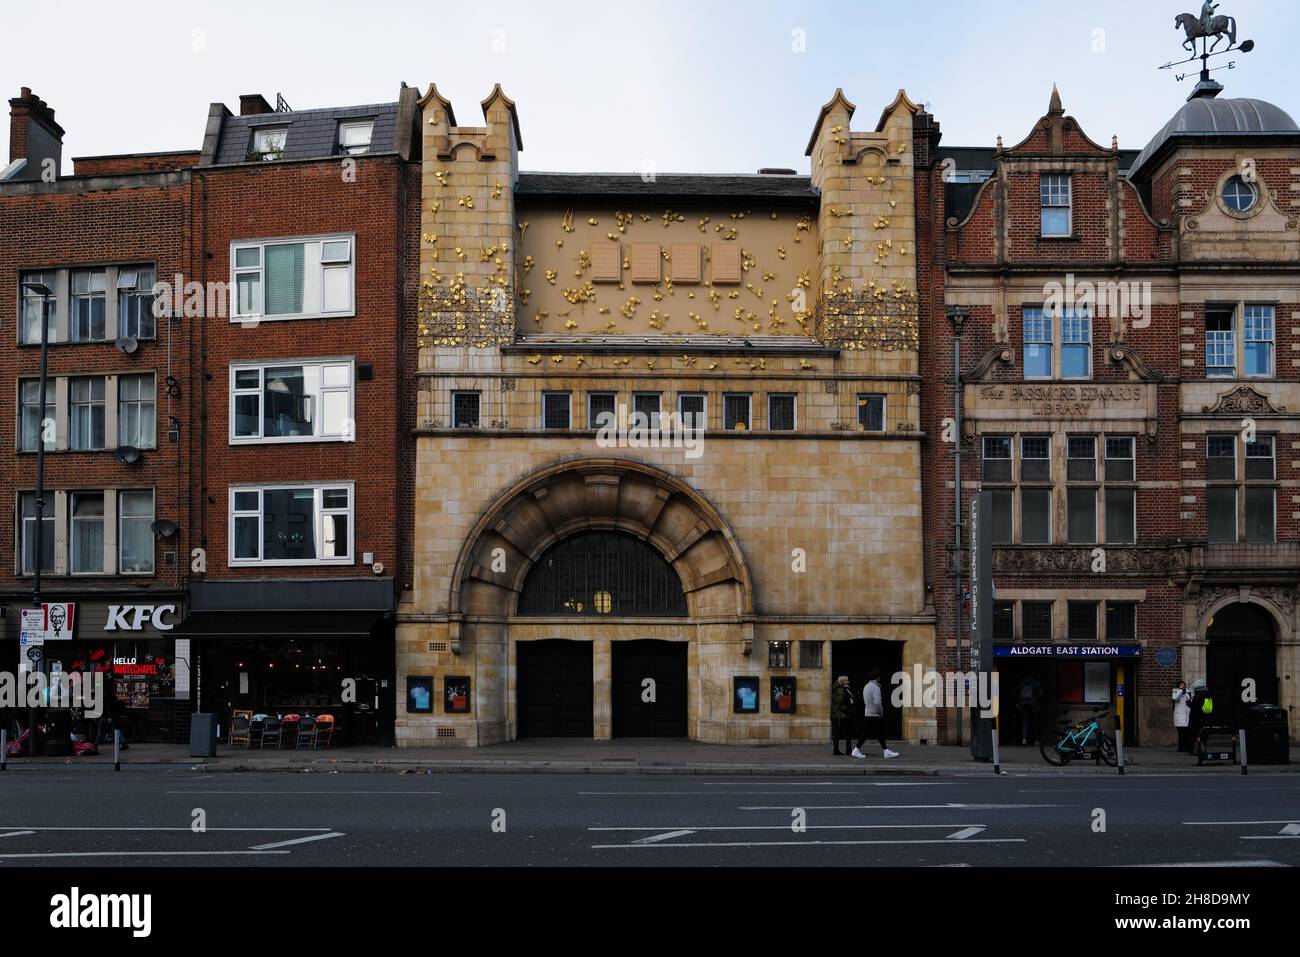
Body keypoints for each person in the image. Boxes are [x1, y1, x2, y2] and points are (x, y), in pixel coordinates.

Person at [853, 668, 899, 759]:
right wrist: (880, 712)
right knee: (868, 733)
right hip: (875, 714)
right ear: (877, 677)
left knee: (878, 733)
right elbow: (878, 702)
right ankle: (856, 750)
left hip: (869, 712)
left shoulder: (866, 686)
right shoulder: (875, 687)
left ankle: (886, 751)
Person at [1015, 674, 1044, 746]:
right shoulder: (1036, 683)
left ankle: (1024, 739)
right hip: (1035, 705)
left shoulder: (1021, 682)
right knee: (1036, 722)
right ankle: (1036, 741)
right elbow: (1041, 694)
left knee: (1025, 722)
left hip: (1023, 705)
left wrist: (1017, 703)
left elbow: (1014, 692)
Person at [830, 675, 854, 756]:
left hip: (840, 715)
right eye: (847, 680)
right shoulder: (841, 690)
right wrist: (848, 710)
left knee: (839, 733)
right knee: (845, 733)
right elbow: (840, 703)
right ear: (842, 682)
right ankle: (845, 750)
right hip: (841, 715)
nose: (848, 682)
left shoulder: (843, 689)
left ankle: (840, 750)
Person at [1171, 680, 1194, 753]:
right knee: (1181, 733)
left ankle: (1187, 747)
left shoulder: (1187, 692)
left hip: (1187, 716)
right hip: (1179, 716)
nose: (1183, 686)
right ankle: (1180, 748)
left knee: (1187, 733)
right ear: (1178, 686)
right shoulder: (1175, 692)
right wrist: (1180, 691)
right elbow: (1175, 698)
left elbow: (1191, 701)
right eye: (1181, 684)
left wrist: (1188, 695)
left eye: (1183, 684)